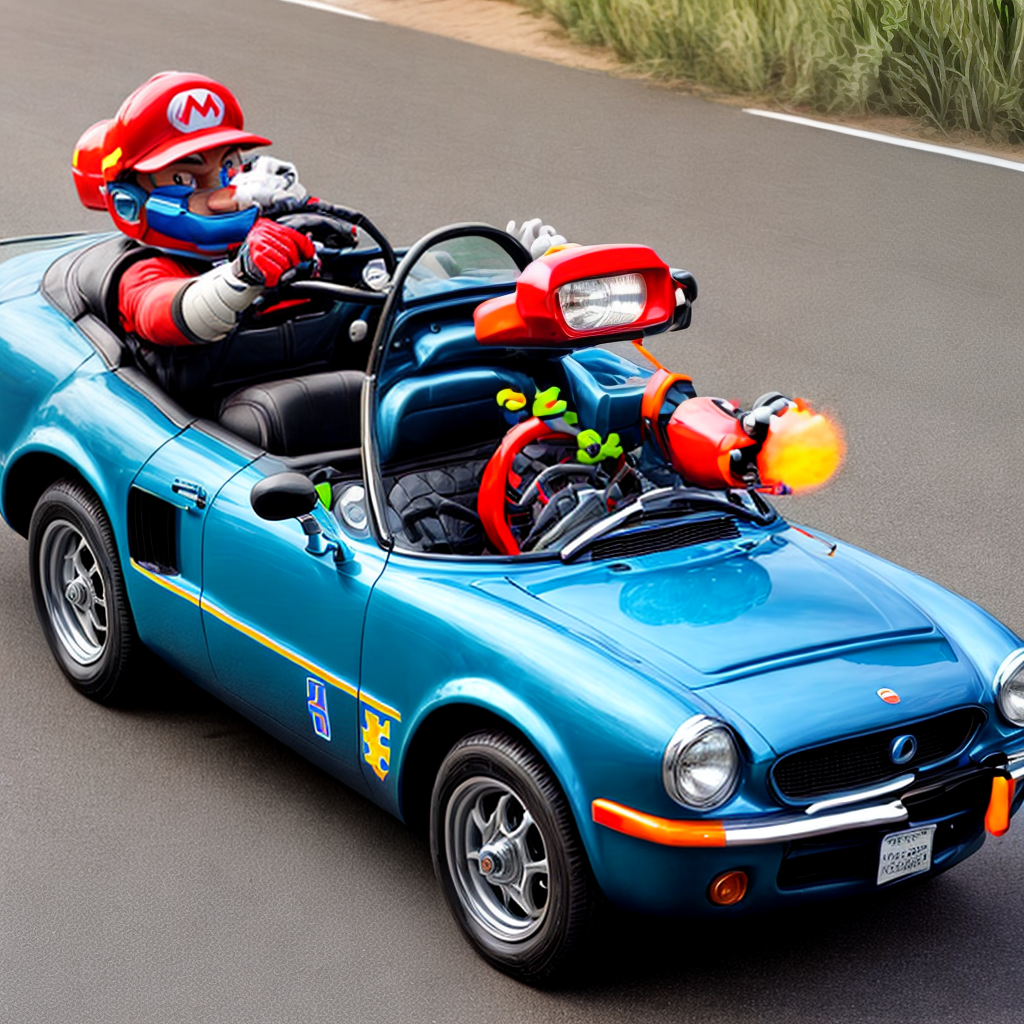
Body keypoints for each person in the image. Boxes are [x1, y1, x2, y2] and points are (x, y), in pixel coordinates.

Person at [72, 71, 566, 351]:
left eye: (228, 168)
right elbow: (166, 313)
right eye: (185, 177)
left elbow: (385, 278)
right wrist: (243, 275)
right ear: (129, 199)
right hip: (231, 422)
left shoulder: (283, 232)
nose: (221, 188)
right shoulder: (145, 271)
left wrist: (511, 270)